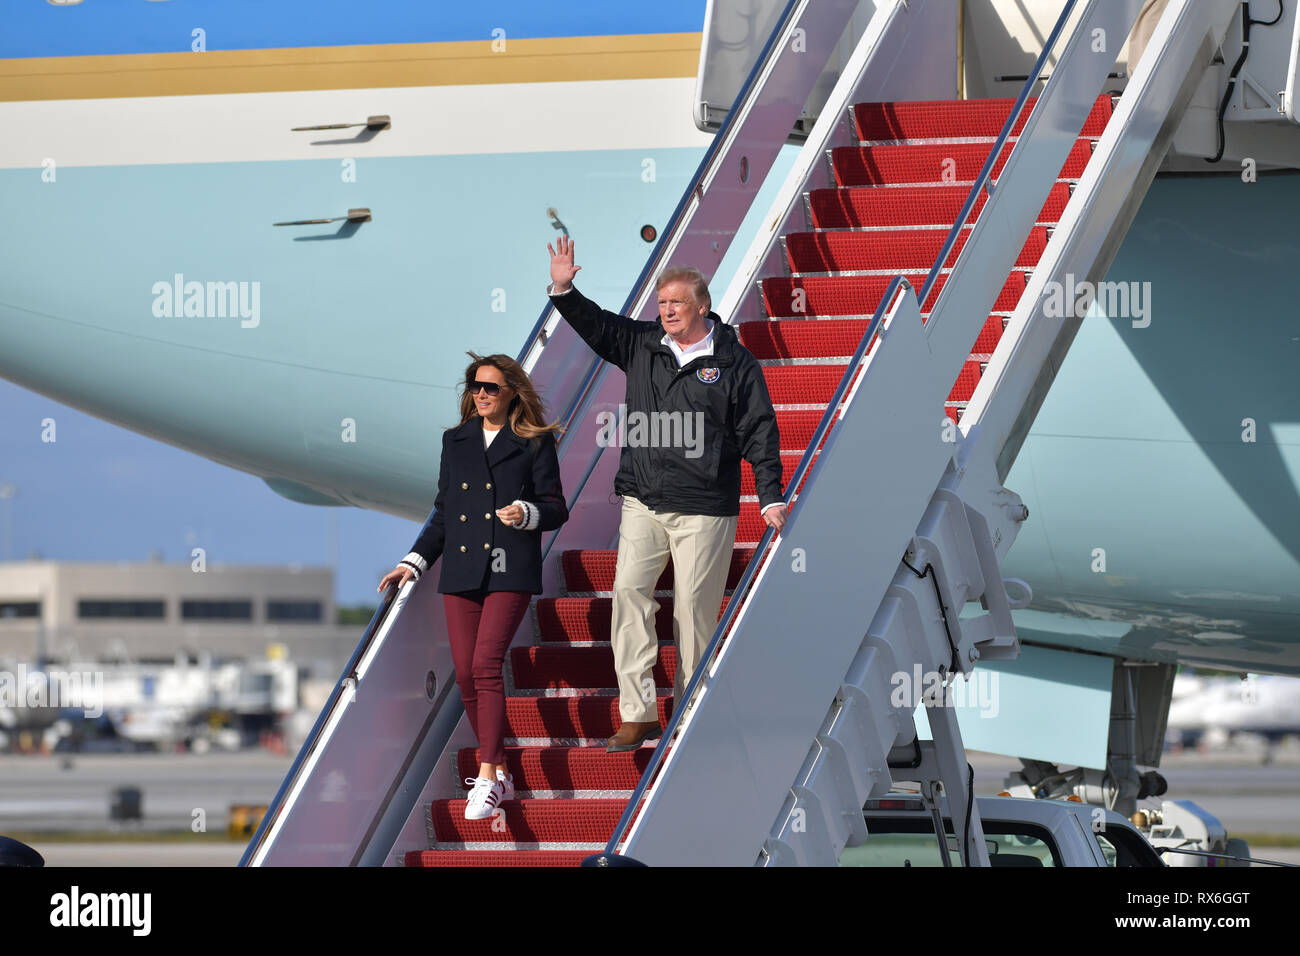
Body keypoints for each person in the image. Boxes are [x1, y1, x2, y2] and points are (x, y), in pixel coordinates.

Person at [545, 236, 787, 752]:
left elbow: (759, 430)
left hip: (703, 508)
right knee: (629, 594)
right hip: (643, 500)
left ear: (702, 305)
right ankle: (639, 714)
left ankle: (689, 710)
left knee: (692, 612)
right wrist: (565, 291)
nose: (668, 310)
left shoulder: (736, 364)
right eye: (662, 303)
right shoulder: (643, 344)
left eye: (677, 302)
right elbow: (599, 326)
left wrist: (770, 495)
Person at [378, 353, 567, 820]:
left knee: (485, 664)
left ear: (511, 394)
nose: (481, 394)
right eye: (475, 386)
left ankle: (485, 775)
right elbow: (444, 511)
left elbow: (556, 508)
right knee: (464, 673)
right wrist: (414, 562)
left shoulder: (533, 443)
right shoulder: (455, 441)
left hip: (509, 568)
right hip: (461, 569)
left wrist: (526, 514)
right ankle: (499, 768)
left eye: (491, 388)